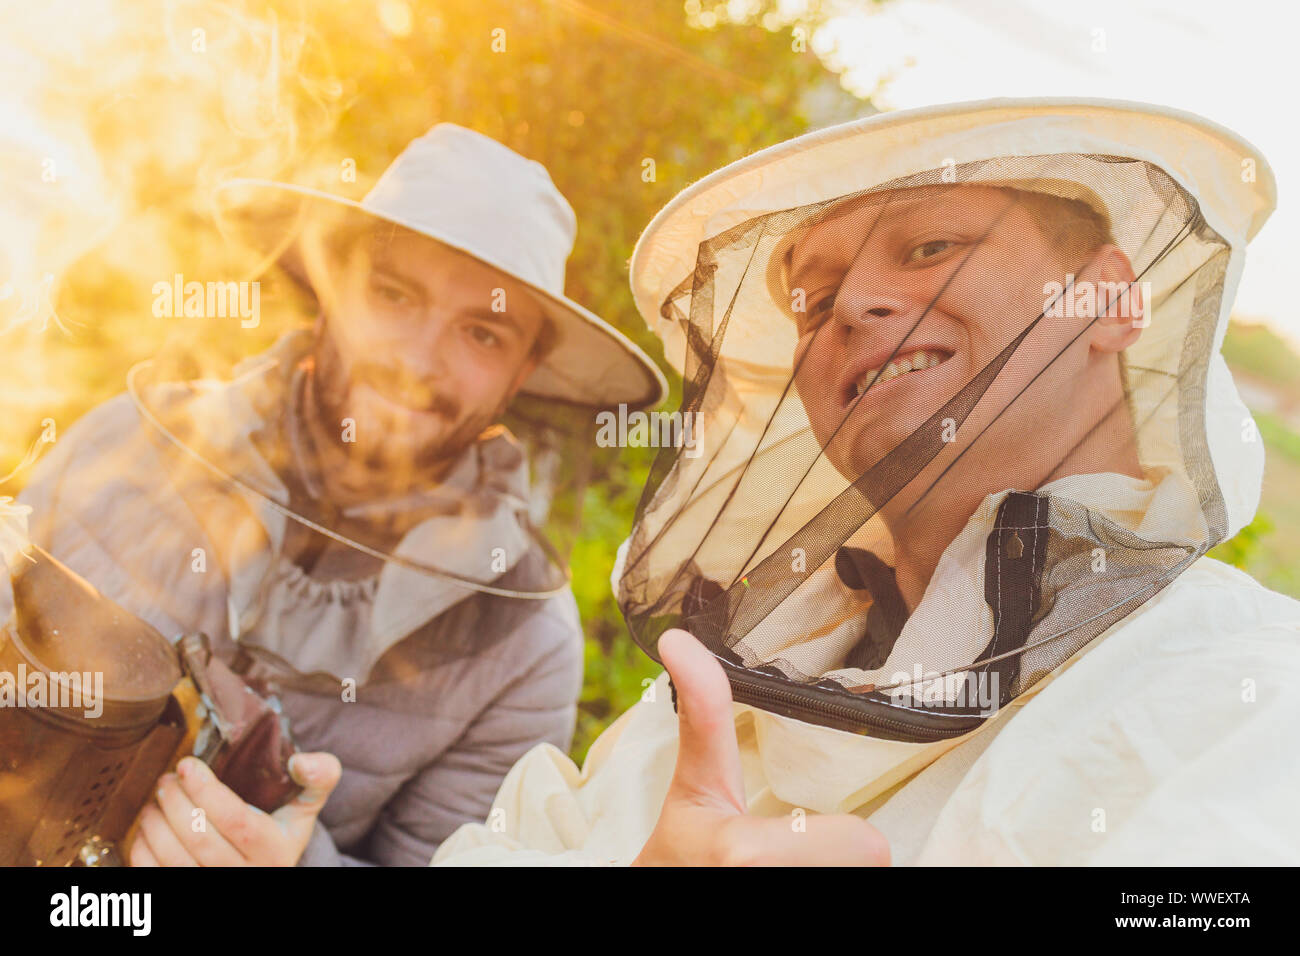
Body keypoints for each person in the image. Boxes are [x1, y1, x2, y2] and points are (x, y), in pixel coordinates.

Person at [169, 98, 1300, 867]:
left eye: (926, 248)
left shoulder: (1256, 704)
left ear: (1108, 299)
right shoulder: (698, 703)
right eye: (812, 296)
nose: (850, 304)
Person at [0, 124, 666, 866]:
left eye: (482, 334)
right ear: (329, 288)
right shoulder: (127, 440)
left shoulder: (528, 648)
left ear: (522, 375)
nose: (417, 362)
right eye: (392, 294)